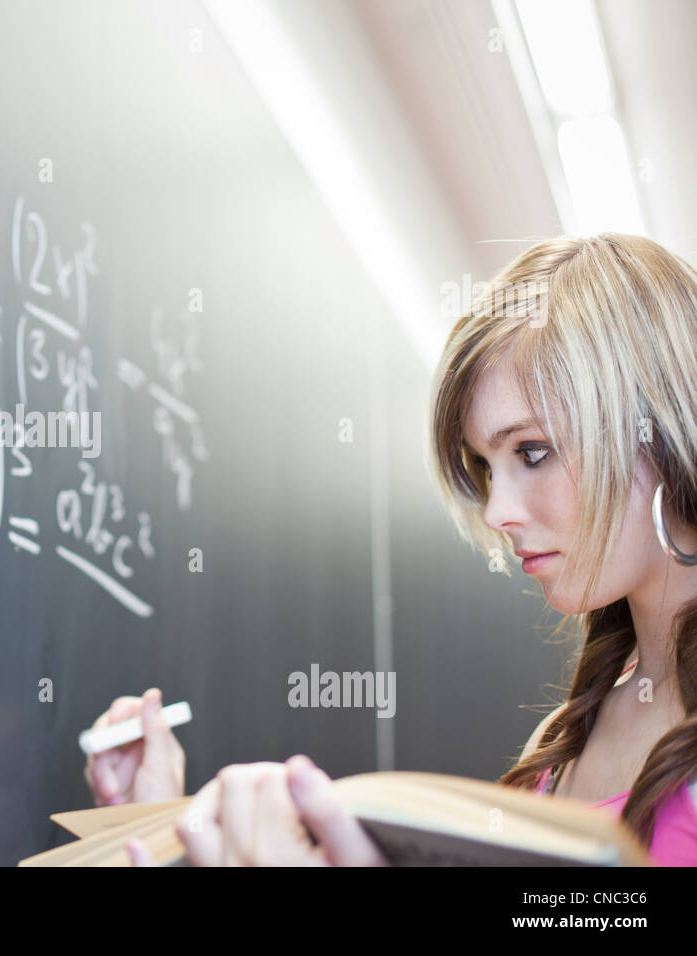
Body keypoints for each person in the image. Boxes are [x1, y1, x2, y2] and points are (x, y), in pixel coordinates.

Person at [86, 233, 697, 866]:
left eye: (532, 452)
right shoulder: (561, 744)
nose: (496, 511)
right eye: (487, 468)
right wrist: (163, 828)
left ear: (657, 432)